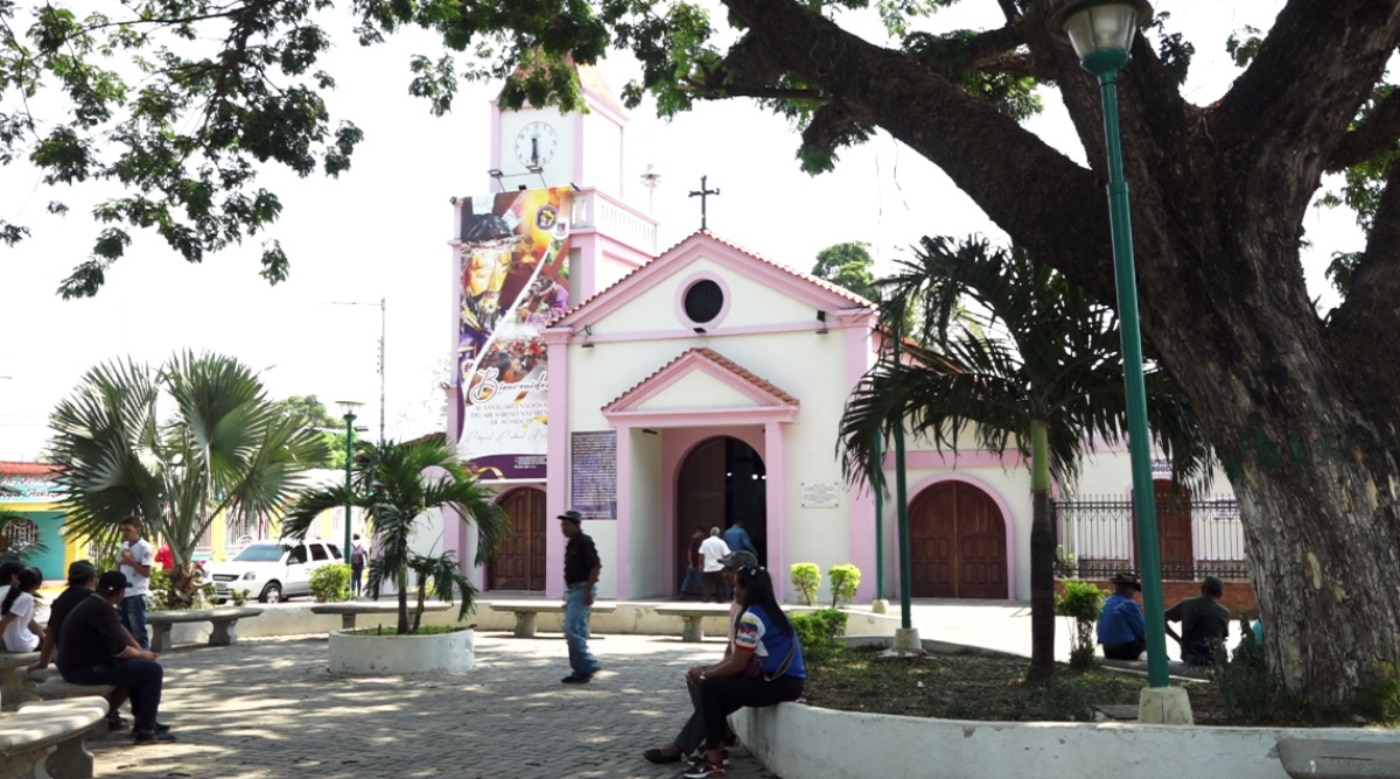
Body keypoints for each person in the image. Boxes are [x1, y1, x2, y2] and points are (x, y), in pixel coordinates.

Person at [682, 566, 805, 779]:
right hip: (789, 682)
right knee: (713, 683)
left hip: (778, 683)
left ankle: (713, 761)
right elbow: (738, 659)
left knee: (711, 688)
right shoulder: (771, 612)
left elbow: (738, 664)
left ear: (749, 589)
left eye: (736, 586)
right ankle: (719, 745)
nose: (734, 591)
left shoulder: (752, 617)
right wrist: (707, 671)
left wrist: (705, 676)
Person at [645, 550, 758, 766]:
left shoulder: (753, 607)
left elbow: (743, 658)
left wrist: (711, 673)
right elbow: (732, 644)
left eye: (730, 569)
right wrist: (714, 667)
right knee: (694, 677)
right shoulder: (737, 601)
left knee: (708, 684)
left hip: (750, 672)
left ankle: (680, 746)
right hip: (737, 665)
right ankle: (722, 732)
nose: (725, 574)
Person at [59, 571, 174, 744]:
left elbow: (120, 630)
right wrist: (141, 654)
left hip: (79, 664)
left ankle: (143, 722)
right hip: (82, 668)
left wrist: (139, 652)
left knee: (138, 667)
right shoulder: (101, 608)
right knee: (152, 671)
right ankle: (147, 731)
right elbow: (118, 650)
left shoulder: (96, 604)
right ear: (121, 593)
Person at [28, 560, 133, 730]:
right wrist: (140, 651)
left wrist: (44, 661)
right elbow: (120, 631)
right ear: (92, 578)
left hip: (66, 658)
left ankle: (108, 714)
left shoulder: (60, 599)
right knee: (135, 671)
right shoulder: (96, 600)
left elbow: (51, 633)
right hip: (91, 660)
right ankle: (107, 714)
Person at [559, 509, 602, 684]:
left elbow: (596, 567)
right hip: (572, 591)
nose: (564, 528)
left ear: (577, 525)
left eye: (567, 525)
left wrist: (587, 591)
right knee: (578, 630)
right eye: (563, 525)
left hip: (582, 590)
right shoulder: (571, 544)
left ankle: (588, 664)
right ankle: (580, 671)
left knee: (570, 629)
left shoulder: (584, 542)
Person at [1165, 575, 1232, 666]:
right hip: (1213, 659)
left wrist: (1178, 640)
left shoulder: (1186, 604)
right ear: (1220, 594)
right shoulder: (1224, 613)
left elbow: (1161, 618)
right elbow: (1223, 636)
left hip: (1190, 656)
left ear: (1202, 589)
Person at [118, 517, 155, 649]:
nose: (125, 533)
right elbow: (118, 566)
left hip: (136, 592)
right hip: (123, 593)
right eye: (123, 530)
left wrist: (131, 560)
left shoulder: (145, 547)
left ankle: (144, 654)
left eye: (128, 530)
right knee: (125, 629)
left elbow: (146, 572)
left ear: (138, 529)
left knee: (137, 628)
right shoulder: (124, 546)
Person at [1096, 571, 1146, 661]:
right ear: (1128, 588)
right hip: (1125, 650)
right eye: (1133, 589)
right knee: (1154, 643)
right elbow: (1143, 631)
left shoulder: (1103, 603)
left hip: (1107, 650)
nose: (1134, 592)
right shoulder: (1129, 604)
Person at [0, 566, 45, 652]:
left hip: (15, 642)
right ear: (37, 585)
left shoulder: (16, 594)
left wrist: (43, 635)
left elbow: (30, 621)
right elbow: (4, 622)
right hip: (23, 643)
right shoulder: (26, 598)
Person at [698, 527, 732, 603]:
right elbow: (727, 554)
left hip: (707, 567)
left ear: (710, 533)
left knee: (707, 585)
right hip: (719, 567)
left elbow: (701, 554)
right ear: (718, 533)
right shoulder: (721, 542)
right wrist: (727, 564)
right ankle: (720, 599)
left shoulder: (705, 542)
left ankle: (706, 599)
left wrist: (701, 565)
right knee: (720, 585)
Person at [678, 525, 706, 599]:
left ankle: (683, 593)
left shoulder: (696, 540)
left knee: (688, 579)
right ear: (699, 532)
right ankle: (702, 594)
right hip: (694, 564)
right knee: (698, 579)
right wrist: (691, 563)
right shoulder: (694, 540)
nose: (702, 536)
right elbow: (689, 552)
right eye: (702, 534)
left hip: (693, 564)